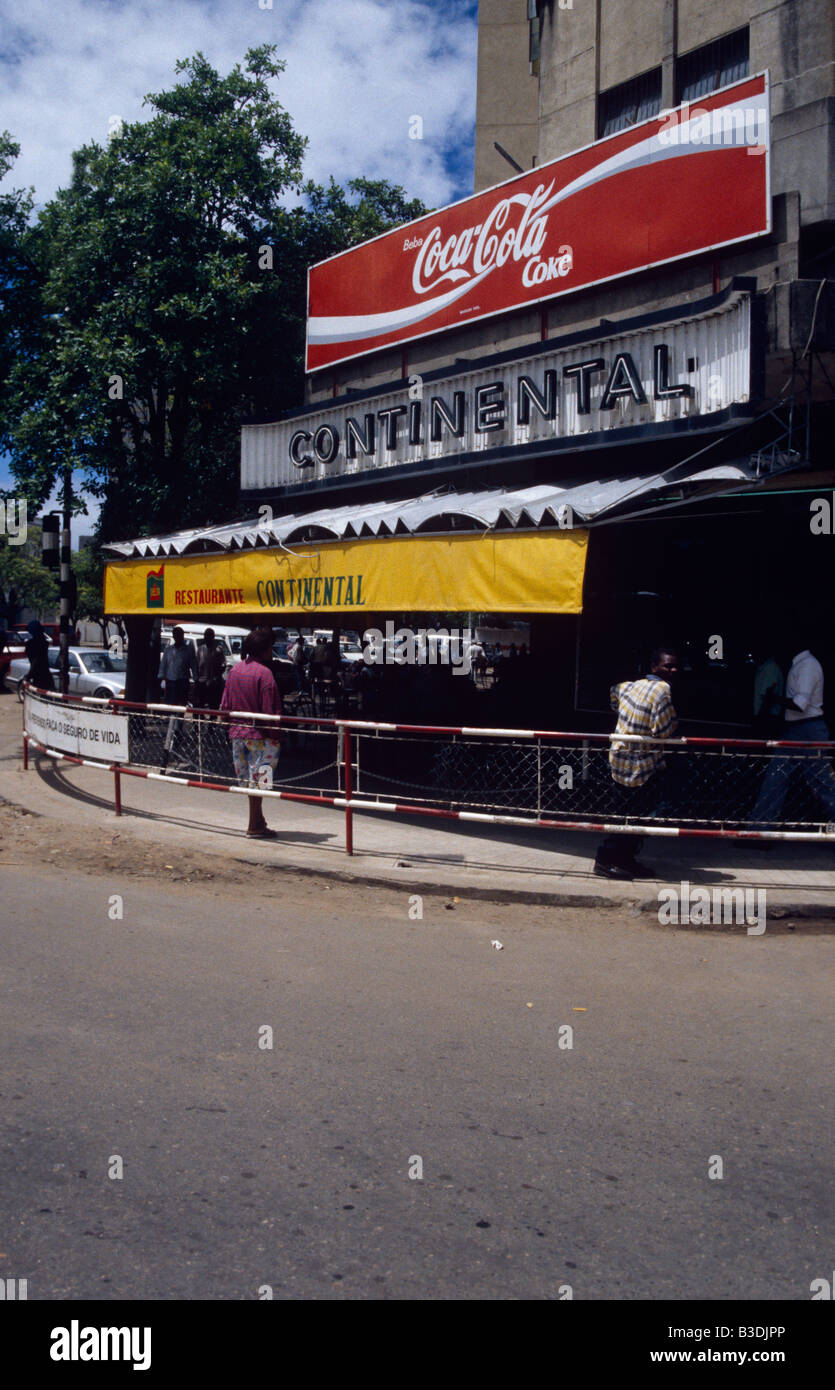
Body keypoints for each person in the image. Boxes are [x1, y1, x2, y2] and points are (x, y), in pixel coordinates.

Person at [594, 647, 680, 880]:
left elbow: (614, 695)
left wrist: (627, 716)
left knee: (626, 813)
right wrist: (673, 722)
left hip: (619, 759)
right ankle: (607, 859)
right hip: (642, 765)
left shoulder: (627, 686)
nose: (673, 670)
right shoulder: (663, 689)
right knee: (640, 814)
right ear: (654, 666)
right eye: (668, 665)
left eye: (674, 665)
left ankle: (624, 859)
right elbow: (661, 730)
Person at [750, 632, 835, 835]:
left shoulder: (807, 666)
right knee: (776, 780)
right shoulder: (801, 664)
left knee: (823, 785)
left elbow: (799, 704)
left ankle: (759, 830)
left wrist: (773, 699)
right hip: (799, 729)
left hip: (807, 730)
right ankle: (760, 831)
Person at [220, 627, 282, 838]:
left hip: (237, 733)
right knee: (261, 781)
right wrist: (277, 734)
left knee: (249, 781)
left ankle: (257, 820)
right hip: (259, 735)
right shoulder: (265, 674)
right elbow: (269, 710)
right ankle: (255, 824)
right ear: (264, 649)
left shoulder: (235, 671)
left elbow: (225, 705)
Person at [158, 626, 197, 705]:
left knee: (181, 703)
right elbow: (163, 664)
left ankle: (179, 716)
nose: (178, 637)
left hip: (183, 681)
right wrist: (161, 677)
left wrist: (196, 679)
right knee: (170, 703)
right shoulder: (168, 650)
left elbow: (194, 666)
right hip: (170, 681)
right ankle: (172, 716)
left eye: (180, 635)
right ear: (174, 636)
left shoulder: (188, 650)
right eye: (176, 635)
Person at [195, 628, 226, 709]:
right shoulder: (200, 649)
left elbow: (223, 665)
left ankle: (212, 720)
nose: (207, 638)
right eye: (206, 636)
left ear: (213, 637)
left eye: (209, 636)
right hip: (202, 681)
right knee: (200, 704)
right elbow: (197, 664)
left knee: (213, 705)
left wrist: (216, 677)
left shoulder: (218, 650)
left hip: (214, 682)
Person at [24, 619, 55, 692]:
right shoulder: (44, 643)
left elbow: (35, 661)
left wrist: (28, 676)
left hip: (39, 678)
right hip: (45, 676)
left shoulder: (32, 644)